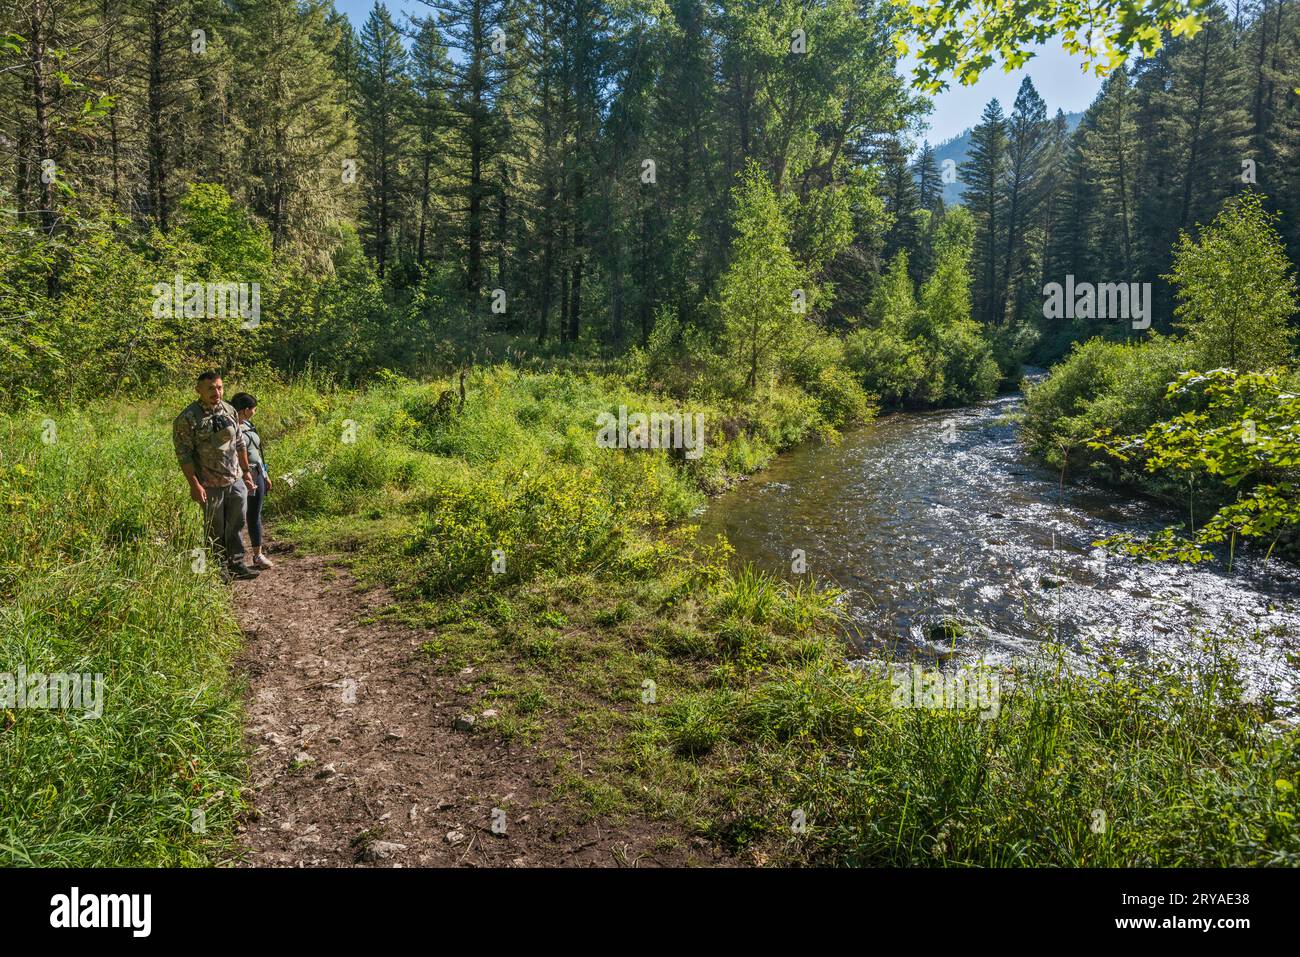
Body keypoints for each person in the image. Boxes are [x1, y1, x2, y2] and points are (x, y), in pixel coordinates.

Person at [173, 371, 260, 582]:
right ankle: (217, 566)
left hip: (234, 478)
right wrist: (195, 485)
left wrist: (246, 473)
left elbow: (239, 443)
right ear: (199, 390)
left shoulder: (229, 410)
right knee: (214, 528)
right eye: (211, 388)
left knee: (237, 522)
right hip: (209, 483)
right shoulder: (188, 418)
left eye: (219, 387)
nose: (216, 392)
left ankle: (237, 563)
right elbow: (183, 455)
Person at [230, 392, 273, 569]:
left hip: (257, 472)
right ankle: (232, 559)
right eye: (254, 409)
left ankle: (257, 555)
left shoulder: (249, 425)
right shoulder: (230, 427)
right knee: (236, 518)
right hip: (239, 475)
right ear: (246, 410)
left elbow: (257, 452)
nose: (255, 412)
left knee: (255, 514)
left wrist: (265, 474)